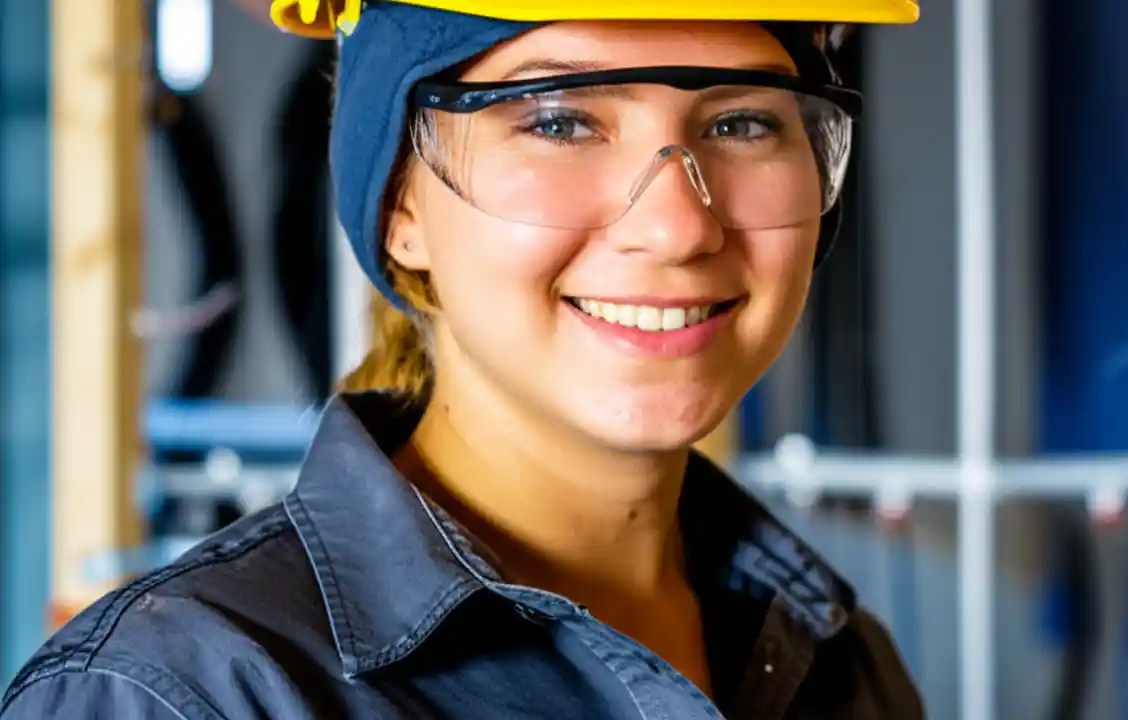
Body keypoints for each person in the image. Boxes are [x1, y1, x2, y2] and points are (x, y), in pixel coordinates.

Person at [1, 0, 924, 717]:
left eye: (744, 124)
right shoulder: (187, 695)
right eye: (561, 121)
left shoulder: (840, 665)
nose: (679, 226)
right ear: (401, 202)